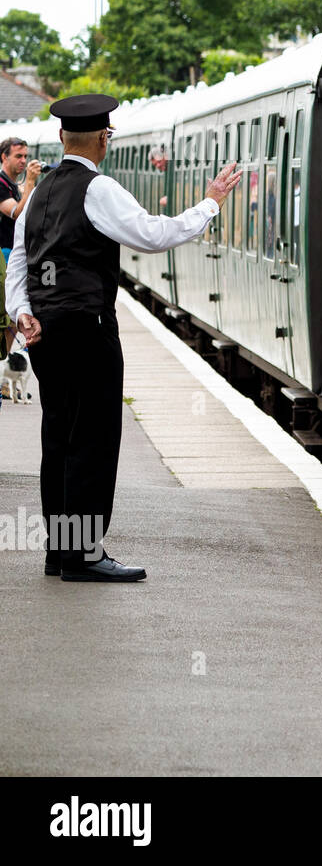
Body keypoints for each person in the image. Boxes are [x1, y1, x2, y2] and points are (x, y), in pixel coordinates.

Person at [5, 94, 241, 581]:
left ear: (65, 138)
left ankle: (61, 551)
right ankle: (85, 555)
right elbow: (153, 235)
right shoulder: (99, 188)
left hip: (46, 334)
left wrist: (22, 312)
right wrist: (210, 204)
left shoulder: (39, 193)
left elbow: (19, 263)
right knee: (92, 438)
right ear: (102, 138)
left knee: (60, 438)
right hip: (88, 331)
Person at [0, 137, 44, 262]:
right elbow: (17, 213)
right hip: (5, 251)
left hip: (16, 249)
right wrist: (30, 181)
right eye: (18, 156)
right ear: (4, 157)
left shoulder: (14, 184)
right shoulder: (0, 184)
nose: (23, 161)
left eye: (25, 156)